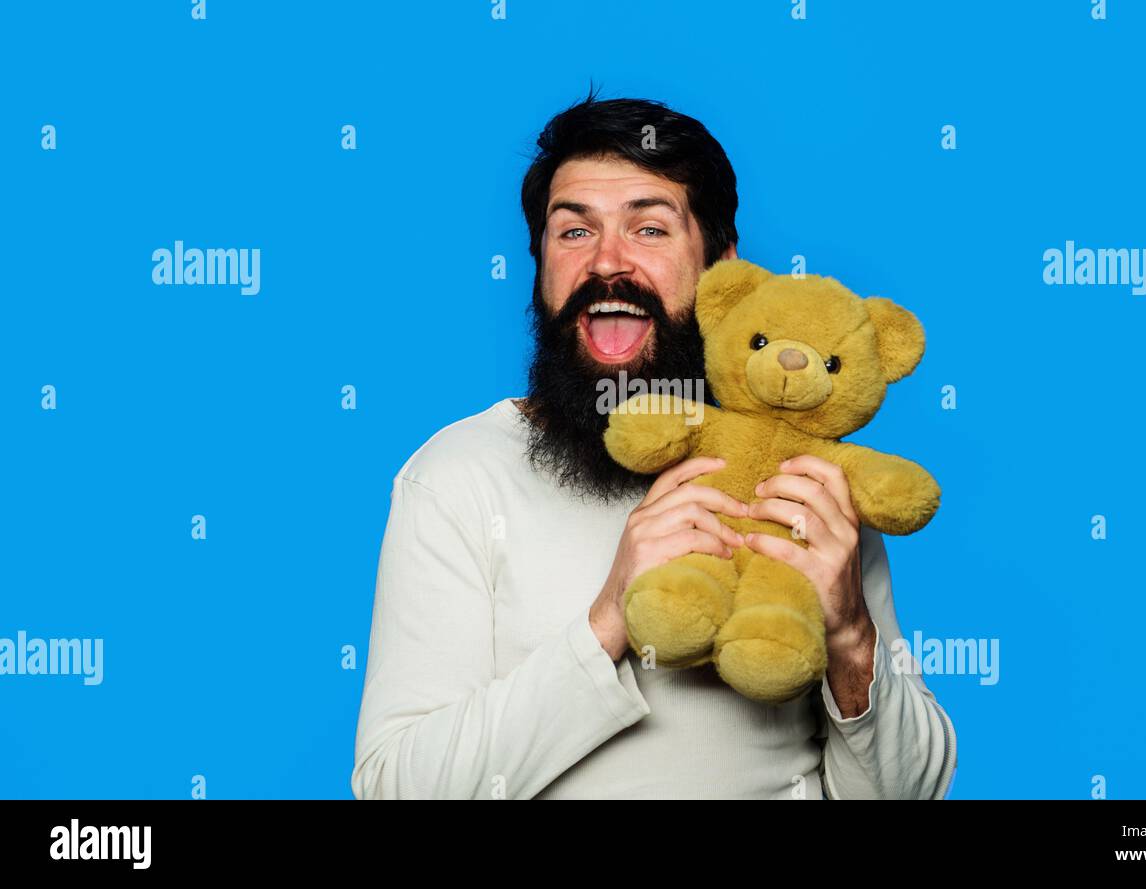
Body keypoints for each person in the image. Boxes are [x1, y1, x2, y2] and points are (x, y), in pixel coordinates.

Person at [350, 94, 956, 799]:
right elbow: (397, 787)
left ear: (720, 271)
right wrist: (608, 620)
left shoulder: (809, 475)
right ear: (540, 264)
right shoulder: (456, 478)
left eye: (650, 229)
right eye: (573, 232)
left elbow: (912, 793)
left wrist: (852, 635)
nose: (609, 264)